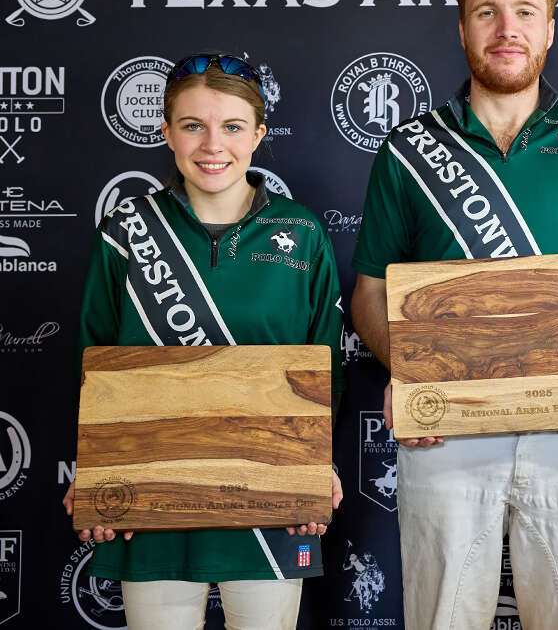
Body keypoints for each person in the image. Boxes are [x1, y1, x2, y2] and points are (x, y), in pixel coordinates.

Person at [349, 0, 558, 627]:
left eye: (524, 12)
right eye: (486, 12)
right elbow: (369, 293)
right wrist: (412, 372)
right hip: (446, 431)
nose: (506, 29)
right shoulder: (408, 148)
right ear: (462, 28)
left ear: (549, 29)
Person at [62, 52, 345, 629]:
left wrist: (314, 470)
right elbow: (95, 366)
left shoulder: (302, 233)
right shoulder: (126, 230)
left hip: (271, 499)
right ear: (167, 132)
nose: (213, 145)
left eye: (232, 127)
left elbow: (326, 368)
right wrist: (97, 473)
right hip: (152, 499)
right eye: (193, 125)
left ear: (259, 134)